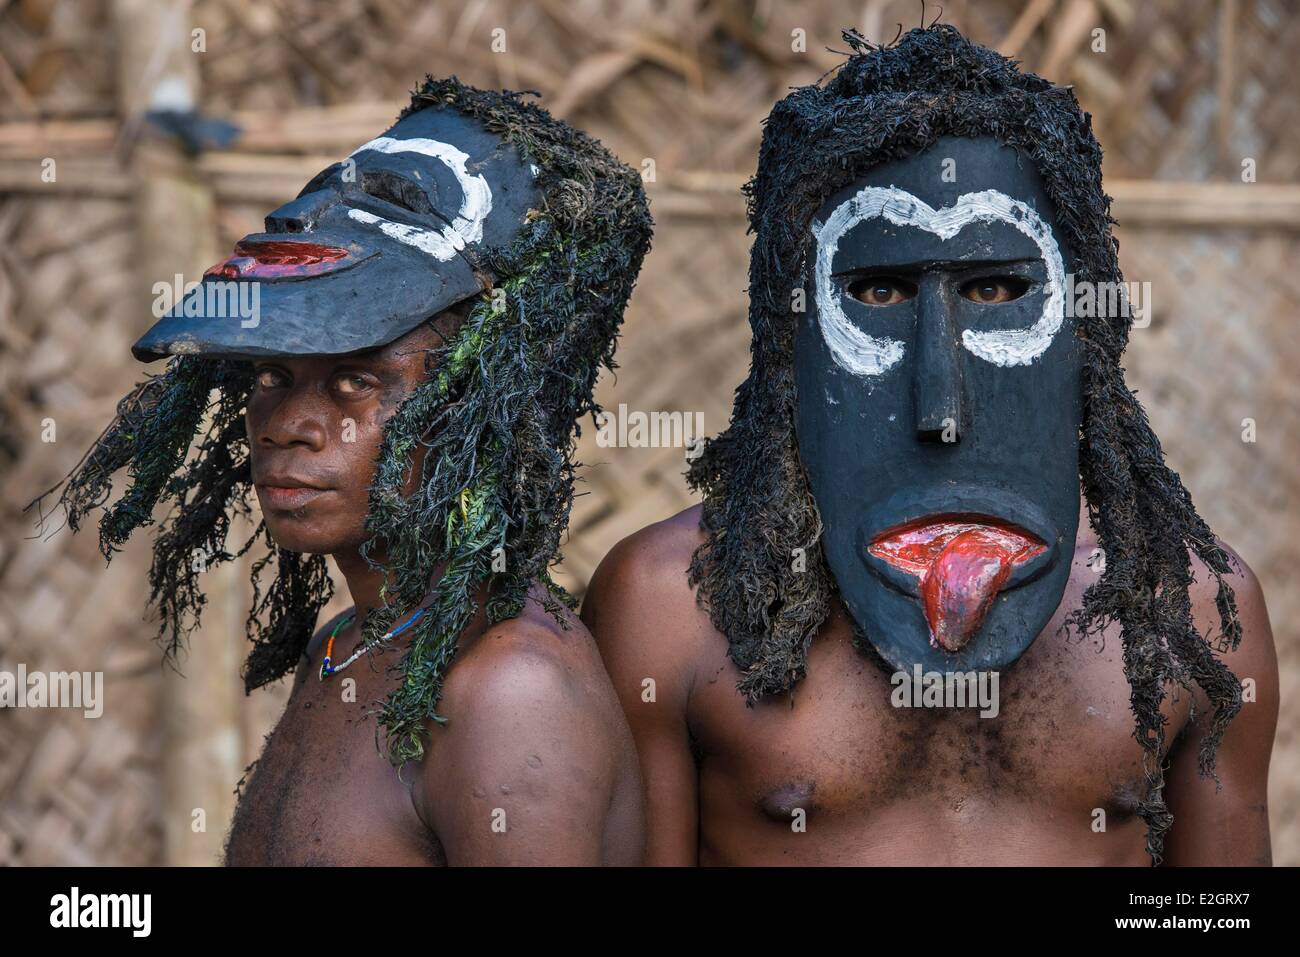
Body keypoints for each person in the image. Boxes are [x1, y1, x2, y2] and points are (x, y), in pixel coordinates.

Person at [581, 25, 1277, 866]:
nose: (939, 405)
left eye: (994, 288)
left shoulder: (1191, 615)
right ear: (784, 331)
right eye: (877, 290)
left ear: (1084, 324)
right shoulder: (669, 611)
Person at [31, 78, 653, 865]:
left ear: (475, 403)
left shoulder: (507, 694)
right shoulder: (348, 647)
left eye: (356, 382)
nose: (289, 426)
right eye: (272, 377)